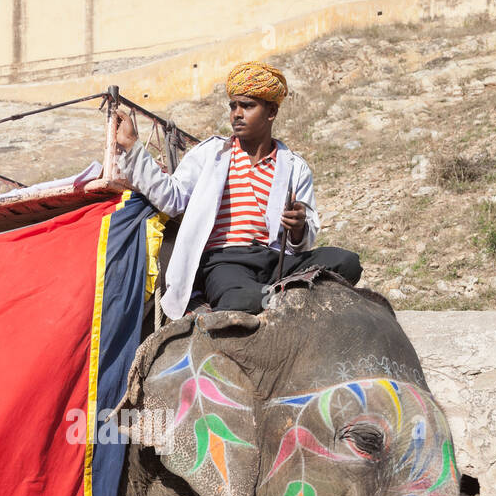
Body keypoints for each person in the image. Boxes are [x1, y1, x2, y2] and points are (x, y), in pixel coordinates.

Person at [113, 61, 361, 318]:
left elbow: (303, 243)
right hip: (226, 260)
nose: (236, 114)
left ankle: (274, 293)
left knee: (347, 262)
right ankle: (277, 296)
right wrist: (132, 146)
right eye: (233, 106)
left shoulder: (295, 167)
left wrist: (298, 227)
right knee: (243, 299)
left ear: (271, 111)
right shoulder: (211, 154)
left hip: (278, 261)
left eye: (247, 106)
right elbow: (171, 197)